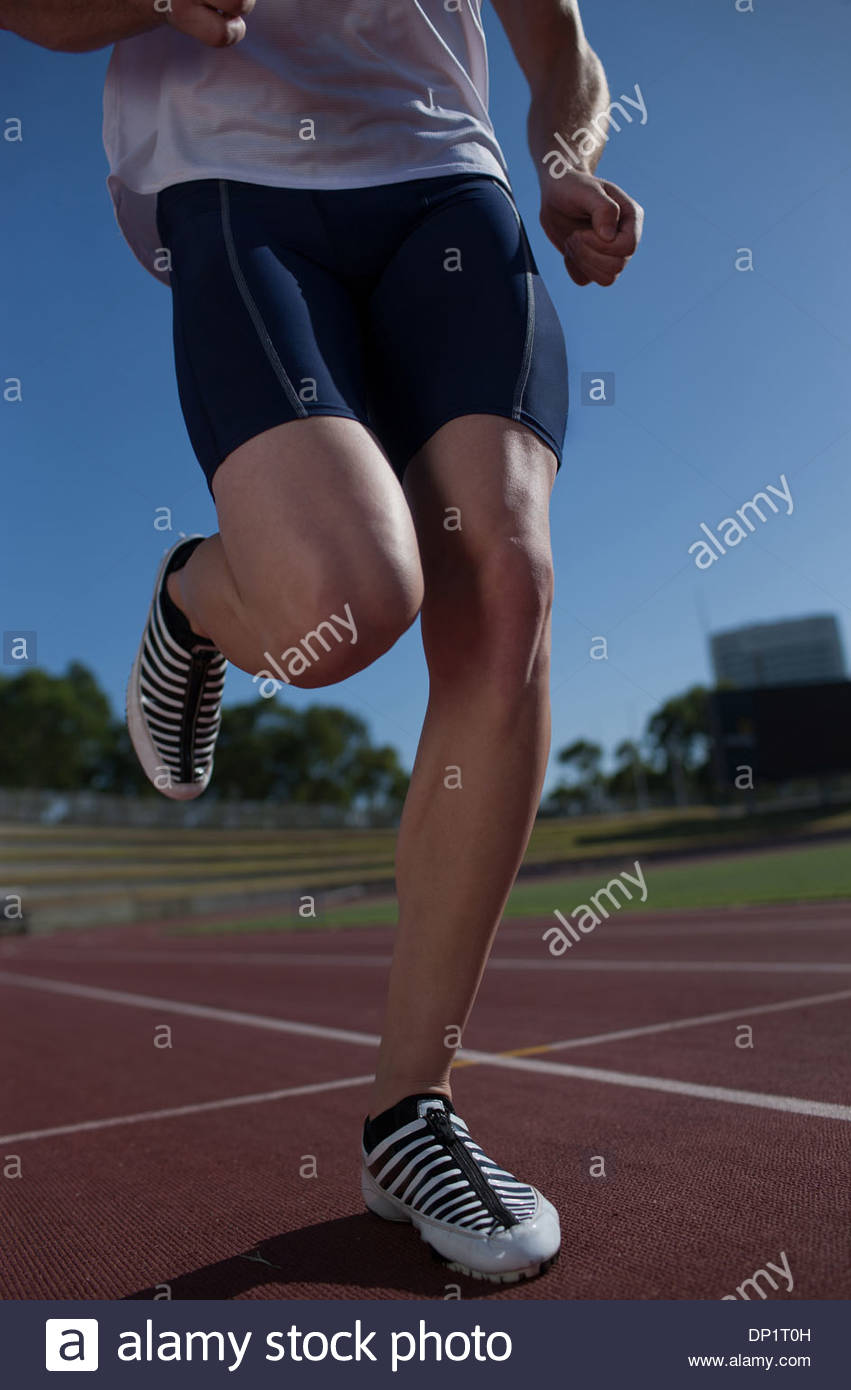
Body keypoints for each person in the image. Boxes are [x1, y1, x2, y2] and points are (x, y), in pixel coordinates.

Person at [5, 0, 643, 1283]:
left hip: (446, 187)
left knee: (506, 587)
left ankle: (412, 1111)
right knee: (345, 601)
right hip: (239, 177)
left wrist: (566, 164)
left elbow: (559, 45)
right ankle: (197, 595)